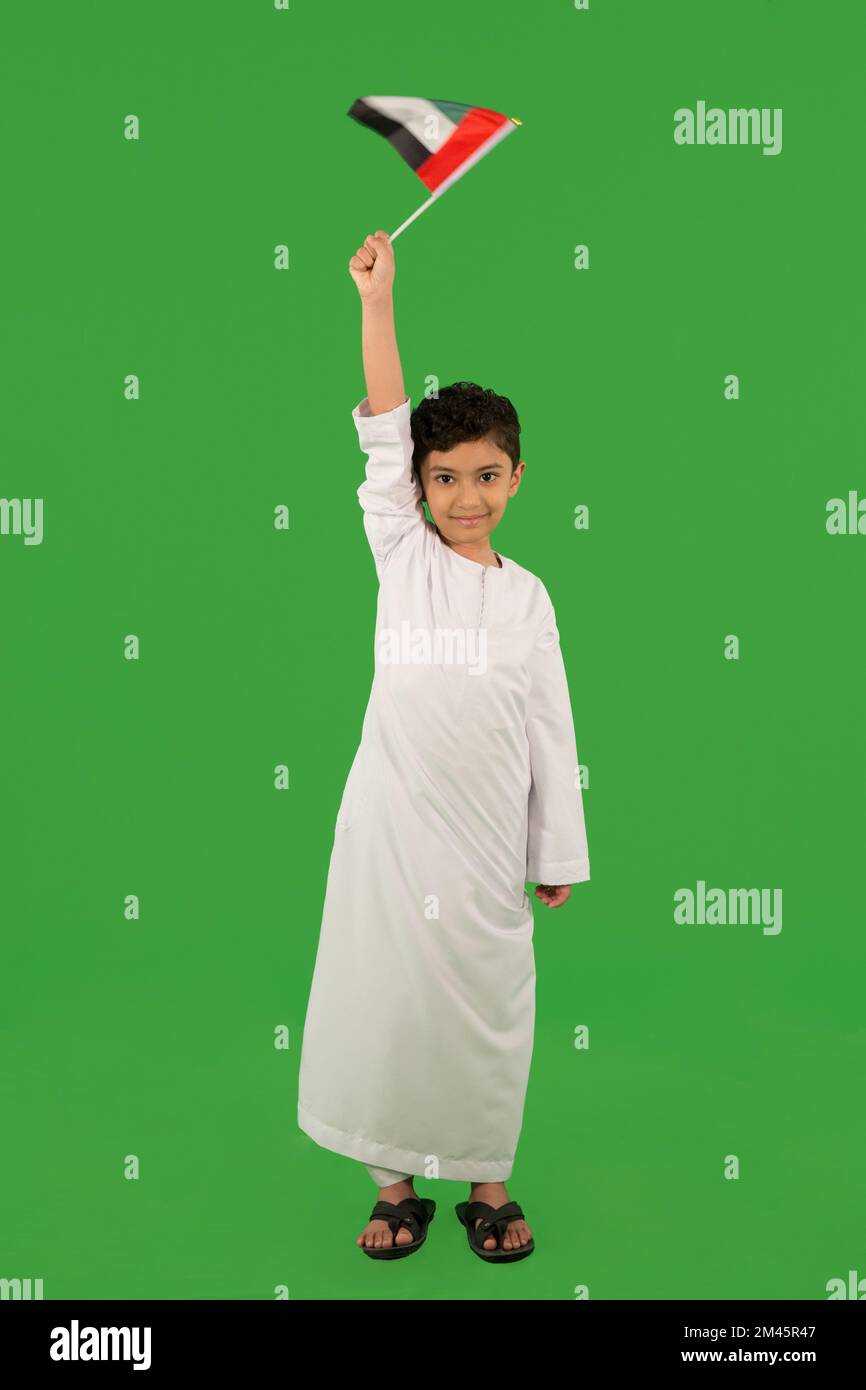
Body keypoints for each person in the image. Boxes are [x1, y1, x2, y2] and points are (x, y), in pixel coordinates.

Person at [297, 230, 590, 1262]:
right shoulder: (403, 555)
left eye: (487, 476)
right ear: (416, 487)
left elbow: (549, 725)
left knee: (485, 1005)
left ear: (518, 476)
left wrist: (554, 848)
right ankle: (393, 1186)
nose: (467, 498)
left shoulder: (530, 599)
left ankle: (486, 1183)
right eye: (445, 478)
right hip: (391, 832)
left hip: (484, 847)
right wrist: (377, 303)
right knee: (385, 999)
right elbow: (382, 426)